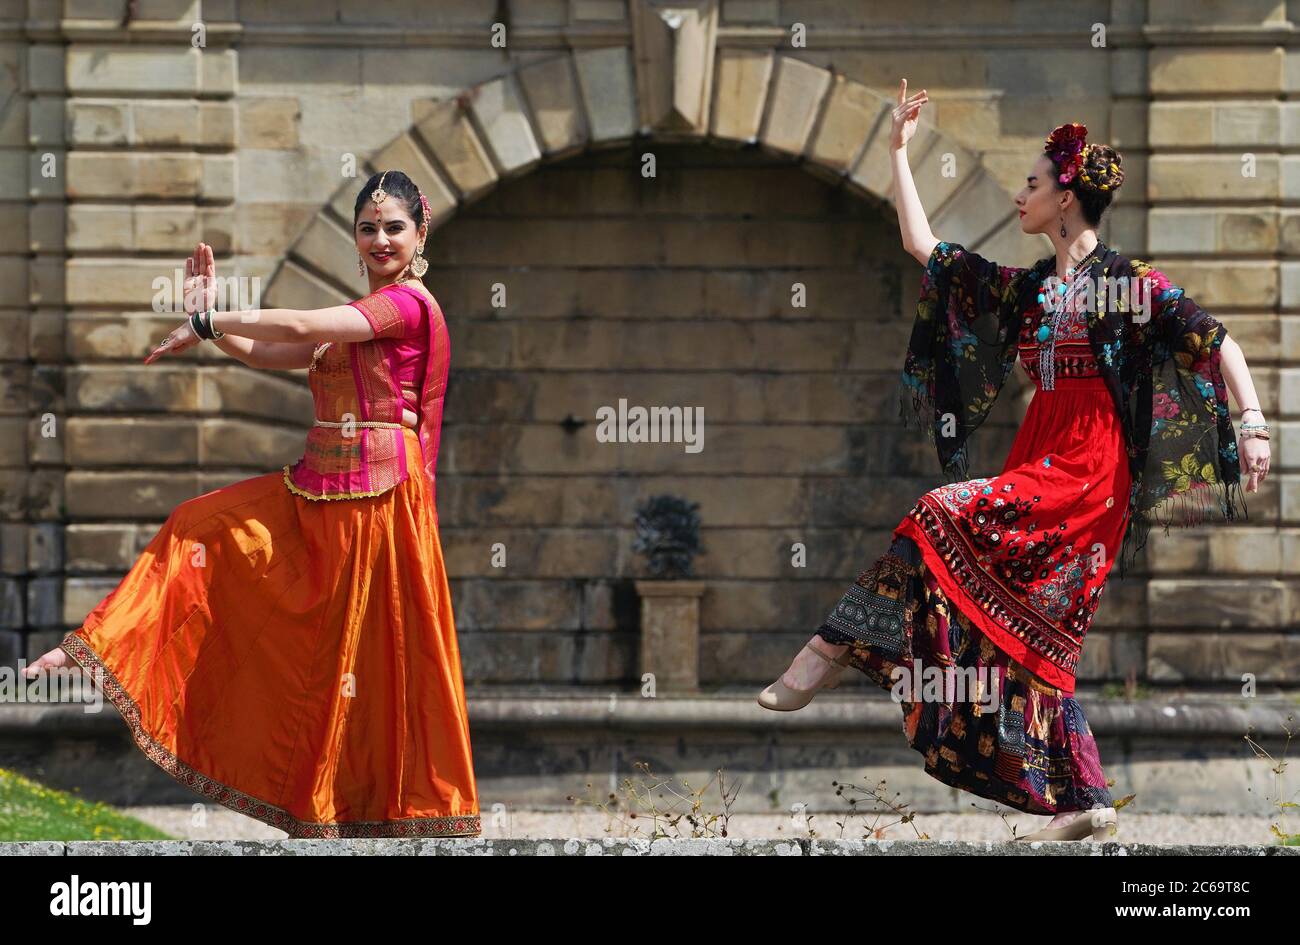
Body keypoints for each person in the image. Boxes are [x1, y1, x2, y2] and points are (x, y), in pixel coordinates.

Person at [758, 80, 1270, 843]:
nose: (1019, 195)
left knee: (936, 512)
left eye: (1031, 183)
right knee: (1032, 632)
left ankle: (832, 645)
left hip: (1088, 474)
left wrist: (1254, 423)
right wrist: (897, 150)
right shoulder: (1030, 291)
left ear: (1066, 197)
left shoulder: (1124, 288)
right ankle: (1084, 800)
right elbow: (925, 250)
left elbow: (1215, 337)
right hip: (1042, 453)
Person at [23, 170, 481, 839]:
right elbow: (275, 348)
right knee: (197, 526)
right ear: (355, 238)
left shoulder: (407, 306)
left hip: (375, 501)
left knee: (351, 662)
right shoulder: (355, 319)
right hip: (320, 485)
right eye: (368, 228)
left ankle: (350, 810)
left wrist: (213, 315)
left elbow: (295, 320)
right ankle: (103, 647)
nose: (380, 239)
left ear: (420, 232)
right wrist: (208, 328)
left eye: (393, 227)